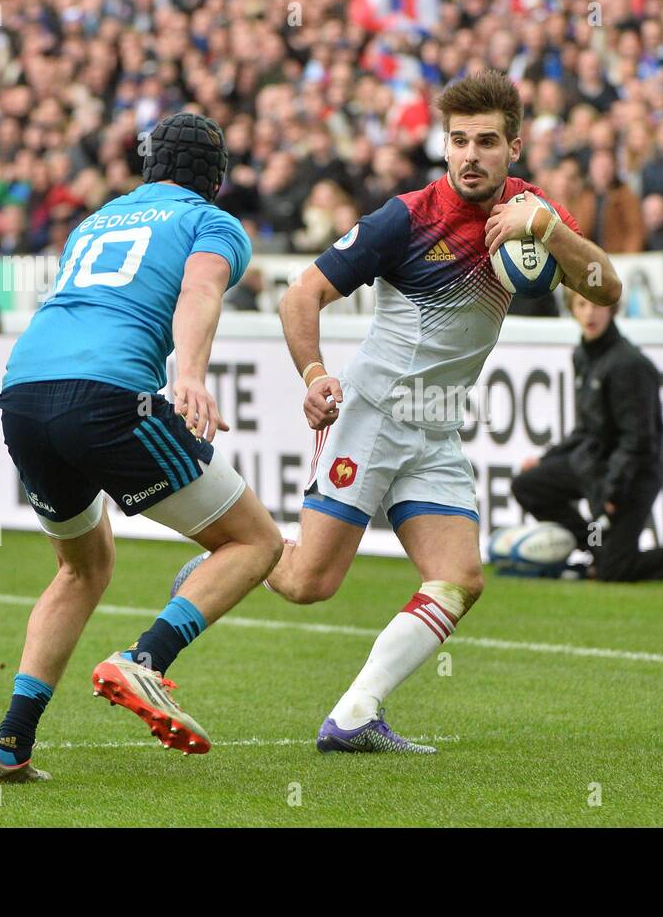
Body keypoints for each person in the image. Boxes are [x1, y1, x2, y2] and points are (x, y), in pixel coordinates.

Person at [264, 71, 620, 753]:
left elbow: (608, 286)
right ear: (444, 144)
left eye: (487, 141)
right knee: (310, 582)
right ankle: (240, 547)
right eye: (458, 141)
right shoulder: (406, 217)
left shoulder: (529, 211)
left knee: (460, 578)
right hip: (372, 415)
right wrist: (313, 372)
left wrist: (547, 226)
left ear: (514, 146)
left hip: (435, 428)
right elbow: (300, 294)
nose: (471, 155)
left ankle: (354, 714)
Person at [0, 113, 283, 785]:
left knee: (82, 568)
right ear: (218, 179)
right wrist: (191, 374)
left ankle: (8, 747)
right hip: (109, 395)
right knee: (255, 542)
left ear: (147, 167)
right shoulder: (212, 222)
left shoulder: (100, 218)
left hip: (23, 394)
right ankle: (148, 658)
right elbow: (199, 288)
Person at [512, 287, 663, 582]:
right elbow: (585, 429)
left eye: (596, 305)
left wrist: (613, 492)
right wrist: (545, 460)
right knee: (528, 485)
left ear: (611, 308)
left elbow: (638, 441)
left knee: (614, 571)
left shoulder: (630, 364)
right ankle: (598, 549)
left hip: (635, 476)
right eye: (581, 304)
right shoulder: (582, 355)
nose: (589, 313)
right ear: (572, 309)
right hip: (594, 465)